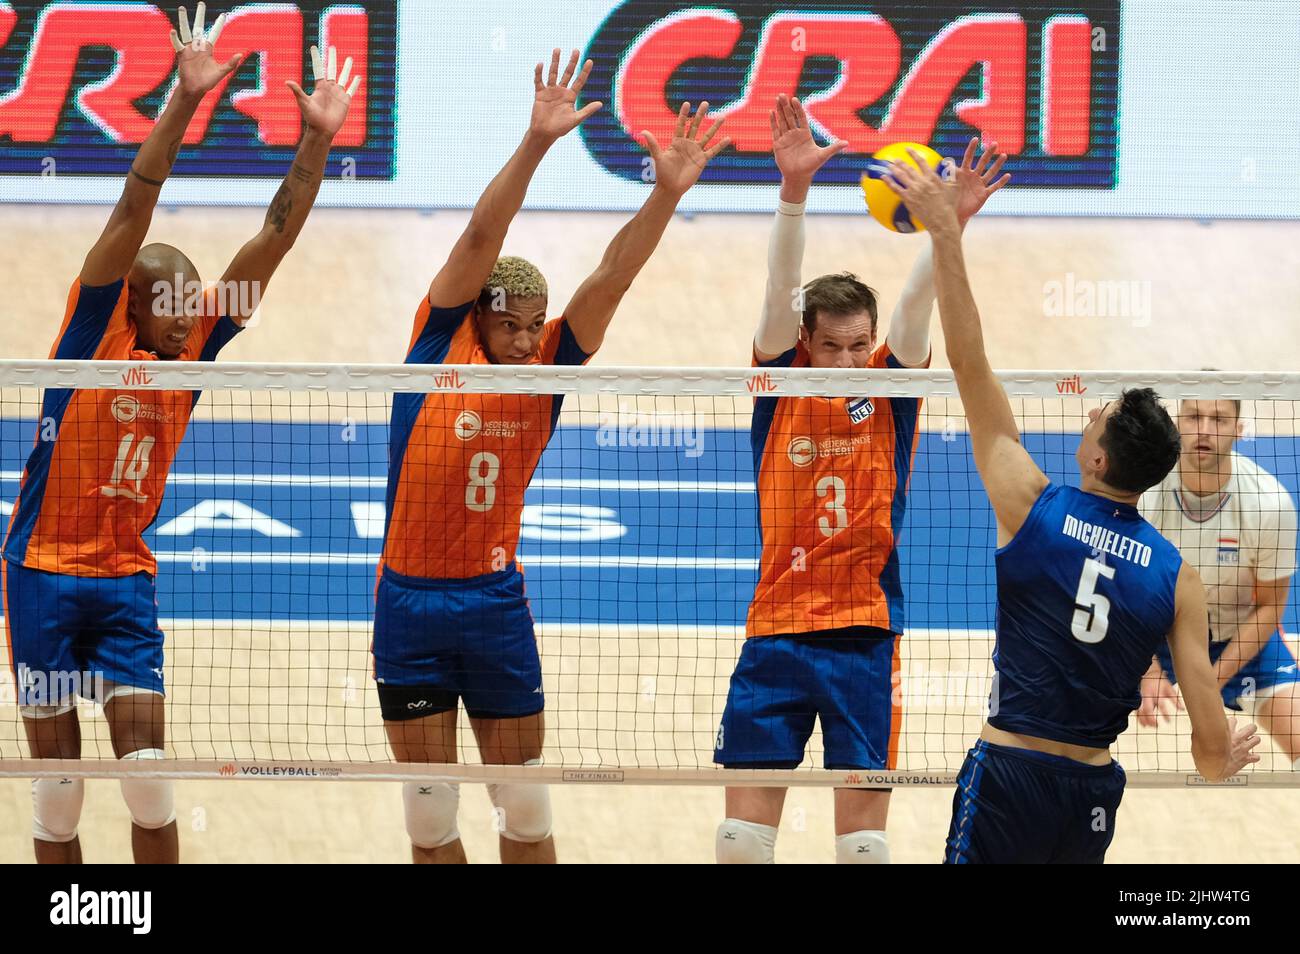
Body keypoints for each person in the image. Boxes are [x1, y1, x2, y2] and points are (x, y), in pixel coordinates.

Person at [2, 4, 360, 863]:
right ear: (132, 303)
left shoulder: (195, 346)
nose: (183, 319)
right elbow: (136, 198)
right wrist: (185, 99)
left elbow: (271, 241)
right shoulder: (92, 329)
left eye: (189, 307)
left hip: (125, 582)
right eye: (167, 306)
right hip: (43, 577)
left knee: (152, 782)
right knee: (56, 800)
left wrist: (315, 142)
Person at [374, 49, 729, 864]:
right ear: (478, 319)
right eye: (512, 324)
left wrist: (666, 195)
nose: (528, 337)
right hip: (409, 608)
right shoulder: (438, 344)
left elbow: (613, 272)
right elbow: (480, 234)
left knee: (527, 816)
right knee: (430, 825)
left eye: (536, 323)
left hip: (495, 605)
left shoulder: (550, 369)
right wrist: (536, 143)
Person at [879, 150, 1260, 864]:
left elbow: (966, 362)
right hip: (1088, 794)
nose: (1087, 414)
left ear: (1098, 459)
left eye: (1096, 417)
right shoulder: (1178, 577)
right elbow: (1211, 757)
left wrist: (946, 236)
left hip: (1009, 776)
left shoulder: (1033, 507)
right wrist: (1226, 751)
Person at [713, 96, 1009, 864]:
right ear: (803, 346)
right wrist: (793, 191)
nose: (848, 360)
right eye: (833, 346)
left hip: (864, 635)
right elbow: (780, 286)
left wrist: (952, 223)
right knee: (741, 846)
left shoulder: (892, 391)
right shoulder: (777, 385)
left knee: (866, 852)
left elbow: (917, 306)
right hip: (775, 628)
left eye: (859, 345)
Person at [1137, 396, 1299, 769]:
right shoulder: (1145, 493)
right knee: (1069, 720)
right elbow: (1124, 592)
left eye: (1219, 420)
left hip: (1239, 638)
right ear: (1176, 423)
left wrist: (1207, 684)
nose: (1205, 430)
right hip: (1153, 636)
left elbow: (1271, 606)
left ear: (1239, 429)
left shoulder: (1270, 504)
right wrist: (1148, 668)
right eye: (1194, 416)